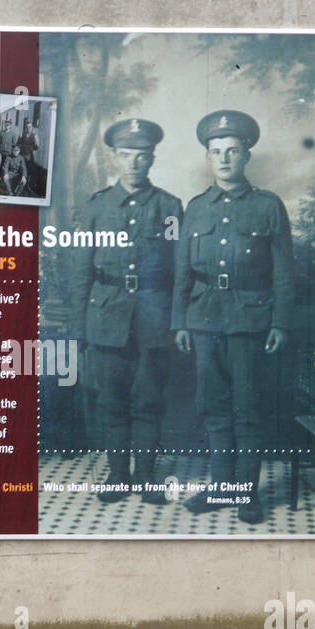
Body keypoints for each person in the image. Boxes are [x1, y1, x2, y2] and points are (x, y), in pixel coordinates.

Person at [172, 109, 293, 523]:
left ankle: (246, 493)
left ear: (246, 157)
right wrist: (179, 321)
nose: (224, 159)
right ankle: (221, 486)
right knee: (213, 408)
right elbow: (182, 270)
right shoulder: (196, 207)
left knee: (246, 410)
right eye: (216, 152)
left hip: (250, 320)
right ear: (208, 157)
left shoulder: (268, 206)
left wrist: (280, 322)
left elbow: (283, 271)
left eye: (232, 151)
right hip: (204, 320)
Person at [72, 118, 183, 503]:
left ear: (151, 159)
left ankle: (147, 477)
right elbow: (79, 270)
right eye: (125, 155)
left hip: (154, 315)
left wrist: (176, 320)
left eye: (142, 156)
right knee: (112, 400)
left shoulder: (169, 208)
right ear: (115, 157)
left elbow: (178, 267)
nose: (134, 163)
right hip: (105, 316)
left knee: (148, 399)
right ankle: (119, 475)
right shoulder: (96, 208)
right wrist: (78, 329)